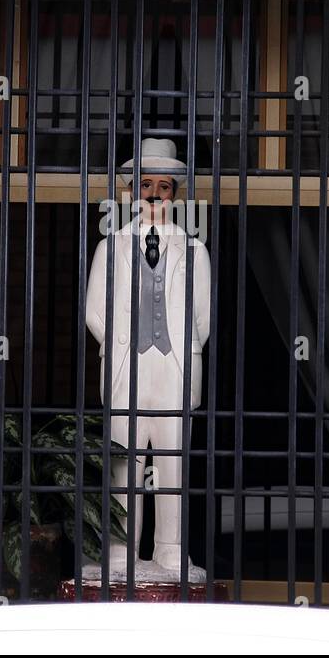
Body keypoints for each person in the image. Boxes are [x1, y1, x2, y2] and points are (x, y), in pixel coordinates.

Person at [85, 138, 211, 577]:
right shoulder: (112, 246)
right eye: (146, 185)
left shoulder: (193, 250)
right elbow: (94, 312)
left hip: (173, 370)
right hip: (127, 370)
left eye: (164, 186)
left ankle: (172, 551)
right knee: (124, 468)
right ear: (133, 193)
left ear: (175, 195)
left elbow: (202, 319)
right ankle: (121, 553)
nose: (155, 194)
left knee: (173, 466)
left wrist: (175, 347)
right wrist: (124, 342)